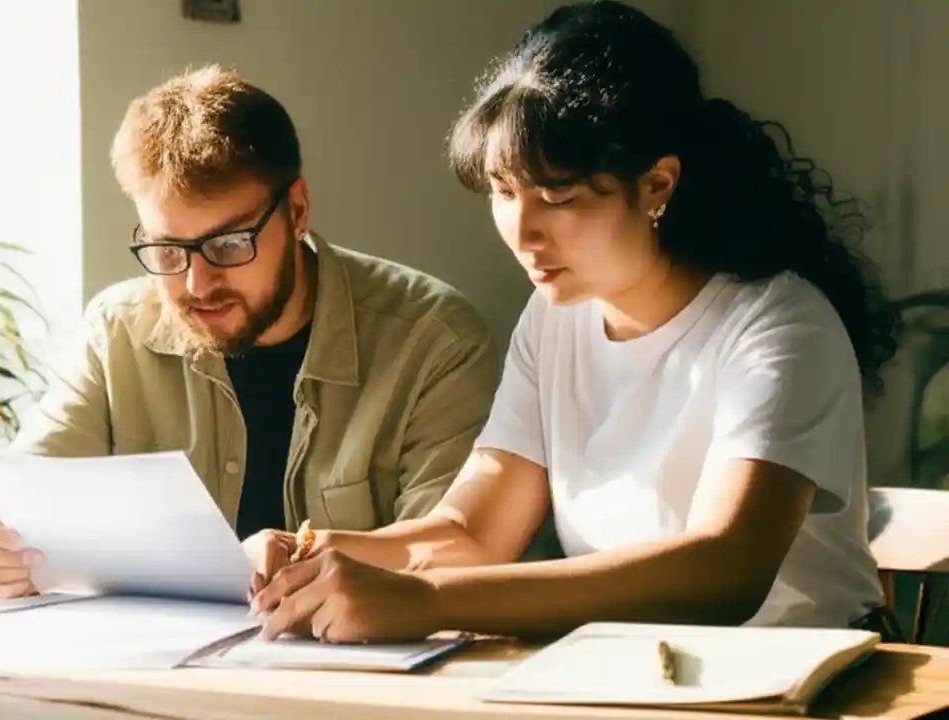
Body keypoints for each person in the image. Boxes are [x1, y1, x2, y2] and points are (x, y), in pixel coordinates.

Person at [249, 0, 901, 643]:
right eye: (505, 193)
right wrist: (314, 550)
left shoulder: (780, 326)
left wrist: (426, 598)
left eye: (558, 197)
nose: (523, 231)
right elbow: (473, 532)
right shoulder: (555, 318)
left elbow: (724, 570)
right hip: (626, 677)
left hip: (803, 683)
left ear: (656, 185)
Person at [0, 66, 501, 599]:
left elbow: (454, 557)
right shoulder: (116, 331)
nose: (198, 282)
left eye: (229, 244)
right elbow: (22, 492)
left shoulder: (434, 342)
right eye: (167, 250)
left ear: (298, 210)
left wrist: (306, 557)